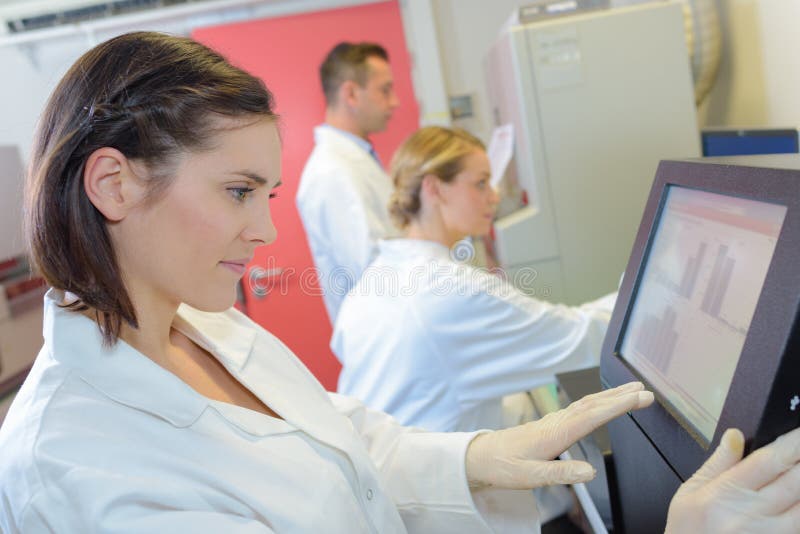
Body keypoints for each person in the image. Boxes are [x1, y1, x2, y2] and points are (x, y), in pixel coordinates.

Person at [1, 32, 798, 534]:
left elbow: (344, 437)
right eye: (238, 191)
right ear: (112, 184)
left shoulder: (201, 324)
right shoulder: (77, 471)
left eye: (267, 196)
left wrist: (480, 454)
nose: (267, 231)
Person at [332, 126, 616, 434]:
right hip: (426, 476)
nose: (493, 197)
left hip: (379, 461)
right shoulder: (453, 290)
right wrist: (646, 292)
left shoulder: (376, 277)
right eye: (481, 184)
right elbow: (580, 339)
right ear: (435, 189)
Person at [296, 41, 400, 324]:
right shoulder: (333, 172)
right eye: (385, 90)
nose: (395, 102)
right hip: (383, 333)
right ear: (351, 94)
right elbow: (374, 272)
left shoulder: (356, 160)